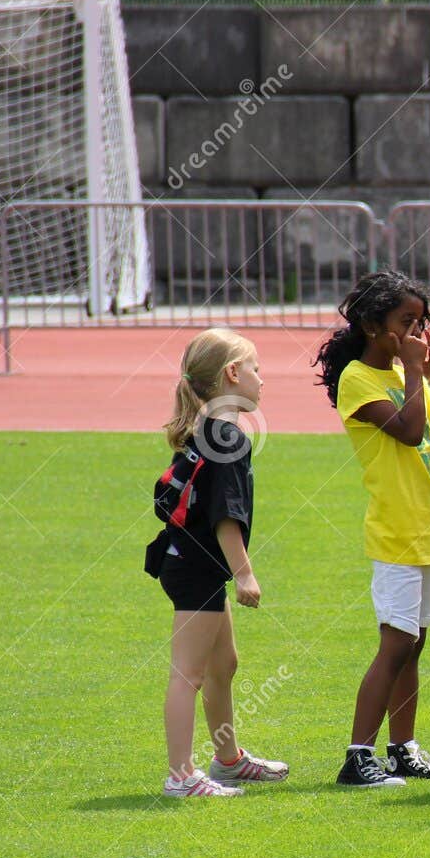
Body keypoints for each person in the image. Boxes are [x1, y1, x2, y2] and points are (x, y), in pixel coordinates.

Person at [316, 271, 430, 788]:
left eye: (422, 321)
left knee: (415, 644)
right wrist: (415, 372)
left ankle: (402, 748)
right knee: (396, 643)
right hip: (396, 532)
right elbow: (407, 433)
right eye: (407, 322)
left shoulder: (411, 377)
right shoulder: (359, 379)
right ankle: (357, 756)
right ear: (372, 324)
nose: (418, 331)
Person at [148, 327, 288, 798]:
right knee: (187, 673)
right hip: (196, 567)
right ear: (232, 374)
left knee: (223, 663)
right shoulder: (225, 436)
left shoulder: (207, 428)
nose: (261, 379)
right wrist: (245, 573)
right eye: (255, 369)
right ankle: (181, 776)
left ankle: (227, 760)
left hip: (193, 563)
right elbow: (227, 516)